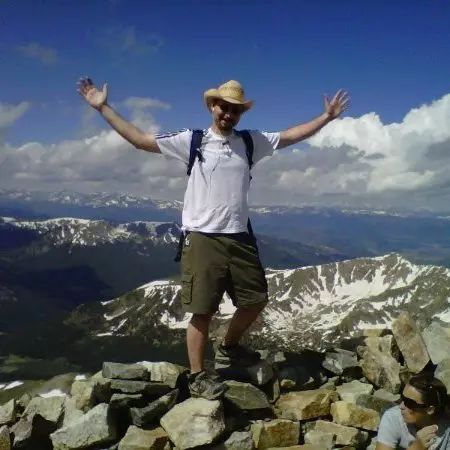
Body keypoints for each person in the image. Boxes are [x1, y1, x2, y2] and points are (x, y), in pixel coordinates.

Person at [77, 77, 349, 399]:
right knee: (202, 311)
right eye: (223, 107)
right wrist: (103, 108)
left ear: (240, 114)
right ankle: (197, 376)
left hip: (239, 236)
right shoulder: (192, 140)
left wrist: (327, 118)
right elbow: (140, 140)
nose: (228, 114)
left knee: (255, 300)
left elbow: (290, 136)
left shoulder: (250, 142)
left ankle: (229, 347)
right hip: (202, 238)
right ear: (212, 106)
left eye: (235, 110)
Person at [376, 372, 450, 449]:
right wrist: (417, 447)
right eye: (403, 398)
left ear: (430, 409)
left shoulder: (447, 426)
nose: (401, 406)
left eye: (409, 403)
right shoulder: (393, 417)